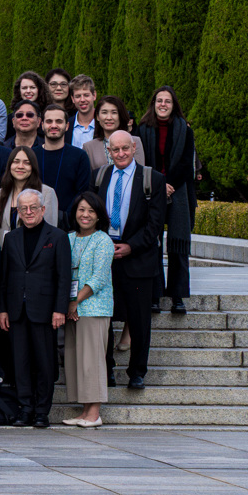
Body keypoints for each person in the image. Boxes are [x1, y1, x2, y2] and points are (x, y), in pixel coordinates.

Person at [96, 130, 166, 389]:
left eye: (125, 148)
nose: (121, 154)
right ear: (109, 151)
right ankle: (107, 369)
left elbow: (155, 224)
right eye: (115, 150)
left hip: (138, 259)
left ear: (134, 147)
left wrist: (130, 247)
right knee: (103, 319)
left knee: (139, 321)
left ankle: (137, 372)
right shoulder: (100, 177)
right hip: (106, 258)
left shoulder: (152, 179)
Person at [0, 190, 70, 429]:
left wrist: (60, 309)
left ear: (43, 209)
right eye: (23, 208)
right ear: (17, 211)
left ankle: (41, 411)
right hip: (17, 310)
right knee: (21, 362)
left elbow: (63, 277)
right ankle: (25, 408)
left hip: (46, 311)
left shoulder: (57, 237)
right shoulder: (11, 238)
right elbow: (4, 277)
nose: (28, 212)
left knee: (45, 363)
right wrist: (3, 309)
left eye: (33, 208)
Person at [137, 85, 196, 314]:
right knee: (153, 243)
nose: (163, 104)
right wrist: (160, 184)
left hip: (179, 190)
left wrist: (169, 184)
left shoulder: (185, 130)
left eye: (167, 101)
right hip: (151, 190)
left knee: (177, 245)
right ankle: (155, 294)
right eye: (159, 100)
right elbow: (142, 160)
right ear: (153, 103)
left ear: (174, 105)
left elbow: (185, 164)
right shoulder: (143, 129)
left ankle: (177, 296)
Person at [64, 192, 114, 428]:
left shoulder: (103, 240)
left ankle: (94, 414)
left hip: (94, 308)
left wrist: (76, 301)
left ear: (98, 216)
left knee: (92, 360)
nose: (85, 215)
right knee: (76, 359)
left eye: (91, 211)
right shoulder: (68, 238)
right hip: (72, 309)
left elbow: (99, 278)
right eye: (81, 209)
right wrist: (68, 303)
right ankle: (84, 412)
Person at [32, 106, 91, 220]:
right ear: (42, 125)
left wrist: (64, 217)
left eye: (59, 121)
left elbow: (82, 192)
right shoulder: (31, 156)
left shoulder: (80, 156)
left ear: (67, 126)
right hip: (34, 219)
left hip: (69, 222)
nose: (54, 125)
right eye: (49, 121)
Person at [0, 146, 58, 238]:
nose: (20, 166)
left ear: (33, 167)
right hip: (2, 251)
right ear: (9, 165)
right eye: (16, 162)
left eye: (27, 163)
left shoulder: (47, 193)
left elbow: (50, 233)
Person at [83, 95, 143, 172]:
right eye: (104, 112)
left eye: (114, 113)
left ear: (120, 116)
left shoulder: (135, 141)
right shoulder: (89, 147)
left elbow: (141, 174)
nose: (109, 117)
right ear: (97, 116)